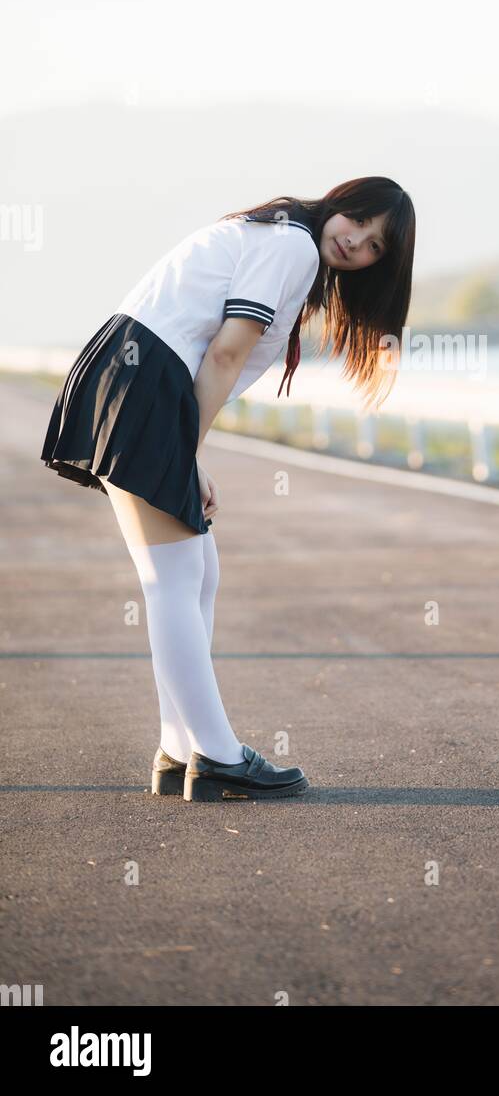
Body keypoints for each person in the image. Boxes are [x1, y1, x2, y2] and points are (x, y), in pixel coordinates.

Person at [40, 177, 416, 802]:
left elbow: (213, 357)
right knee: (174, 579)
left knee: (195, 573)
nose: (357, 242)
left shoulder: (284, 238)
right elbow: (224, 355)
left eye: (376, 246)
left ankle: (178, 748)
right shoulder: (293, 245)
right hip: (145, 379)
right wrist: (185, 455)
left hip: (141, 374)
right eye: (359, 220)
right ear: (340, 202)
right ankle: (216, 757)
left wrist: (190, 456)